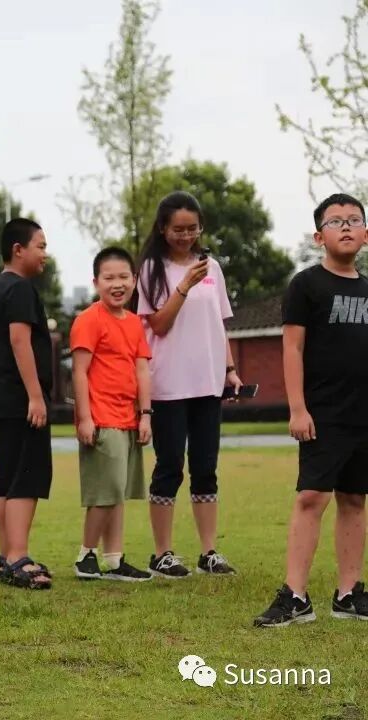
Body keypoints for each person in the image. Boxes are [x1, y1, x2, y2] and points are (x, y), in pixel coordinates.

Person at [254, 193, 368, 627]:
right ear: (319, 235)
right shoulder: (306, 285)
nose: (345, 226)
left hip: (364, 416)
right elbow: (292, 347)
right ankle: (296, 596)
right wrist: (298, 408)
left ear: (365, 235)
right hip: (323, 414)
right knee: (311, 497)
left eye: (354, 220)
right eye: (335, 221)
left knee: (355, 498)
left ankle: (349, 594)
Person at [135, 191, 240, 578]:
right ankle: (162, 553)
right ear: (163, 229)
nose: (185, 235)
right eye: (178, 229)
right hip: (168, 384)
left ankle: (209, 550)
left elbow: (220, 324)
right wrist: (184, 287)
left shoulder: (211, 265)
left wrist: (229, 369)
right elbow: (157, 325)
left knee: (206, 467)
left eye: (192, 228)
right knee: (169, 466)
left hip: (207, 381)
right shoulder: (151, 269)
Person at [70, 247, 154, 582]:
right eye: (109, 278)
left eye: (123, 277)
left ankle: (115, 559)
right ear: (96, 282)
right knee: (104, 493)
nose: (117, 284)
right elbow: (79, 373)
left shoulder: (134, 323)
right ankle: (86, 555)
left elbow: (142, 371)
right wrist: (85, 418)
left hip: (128, 419)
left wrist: (145, 415)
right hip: (101, 419)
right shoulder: (88, 320)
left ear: (134, 280)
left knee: (118, 491)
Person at [0, 218, 54, 590]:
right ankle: (17, 558)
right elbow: (19, 341)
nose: (45, 253)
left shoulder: (0, 286)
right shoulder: (20, 289)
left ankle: (7, 554)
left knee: (5, 477)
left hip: (0, 396)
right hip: (18, 398)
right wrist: (36, 395)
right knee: (26, 476)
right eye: (40, 245)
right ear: (18, 249)